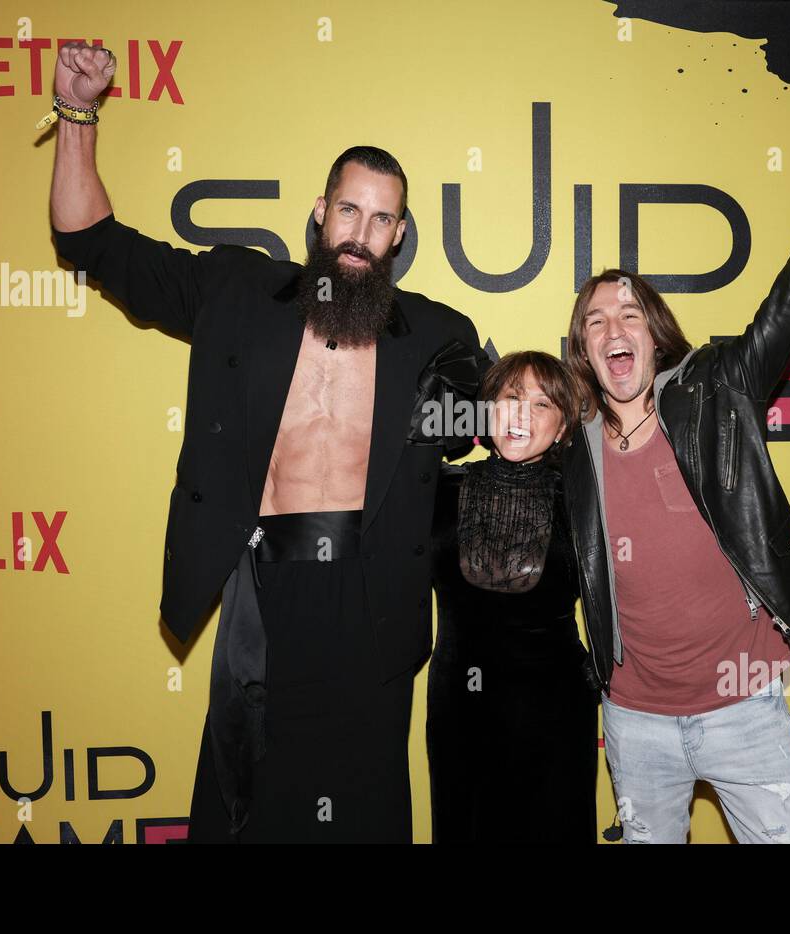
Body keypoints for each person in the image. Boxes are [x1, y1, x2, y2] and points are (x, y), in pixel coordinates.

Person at [47, 41, 485, 842]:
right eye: (349, 210)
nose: (361, 233)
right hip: (266, 599)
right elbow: (93, 242)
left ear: (399, 235)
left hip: (373, 611)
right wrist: (78, 113)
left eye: (382, 218)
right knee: (244, 808)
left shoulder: (438, 333)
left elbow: (489, 415)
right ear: (321, 214)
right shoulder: (238, 292)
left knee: (364, 818)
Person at [561, 52, 790, 843]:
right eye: (595, 321)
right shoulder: (572, 450)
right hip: (634, 722)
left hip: (744, 708)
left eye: (629, 315)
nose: (613, 328)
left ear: (655, 338)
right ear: (583, 352)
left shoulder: (718, 391)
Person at [426, 351, 598, 843]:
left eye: (542, 404)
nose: (522, 414)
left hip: (556, 714)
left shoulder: (586, 499)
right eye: (511, 398)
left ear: (564, 425)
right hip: (460, 711)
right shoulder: (435, 489)